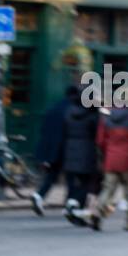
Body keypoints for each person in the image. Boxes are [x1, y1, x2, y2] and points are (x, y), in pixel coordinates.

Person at [92, 99, 128, 231]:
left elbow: (100, 140)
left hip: (111, 160)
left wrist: (105, 154)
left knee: (107, 189)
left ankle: (98, 213)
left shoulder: (106, 118)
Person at [30, 84, 76, 216]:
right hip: (65, 149)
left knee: (52, 176)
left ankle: (39, 196)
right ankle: (69, 205)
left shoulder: (54, 108)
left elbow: (44, 129)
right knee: (71, 178)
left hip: (51, 149)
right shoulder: (72, 109)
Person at [61, 91, 101, 229]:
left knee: (78, 182)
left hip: (71, 151)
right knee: (87, 183)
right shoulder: (92, 115)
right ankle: (76, 207)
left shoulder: (70, 112)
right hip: (87, 152)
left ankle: (71, 203)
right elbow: (97, 133)